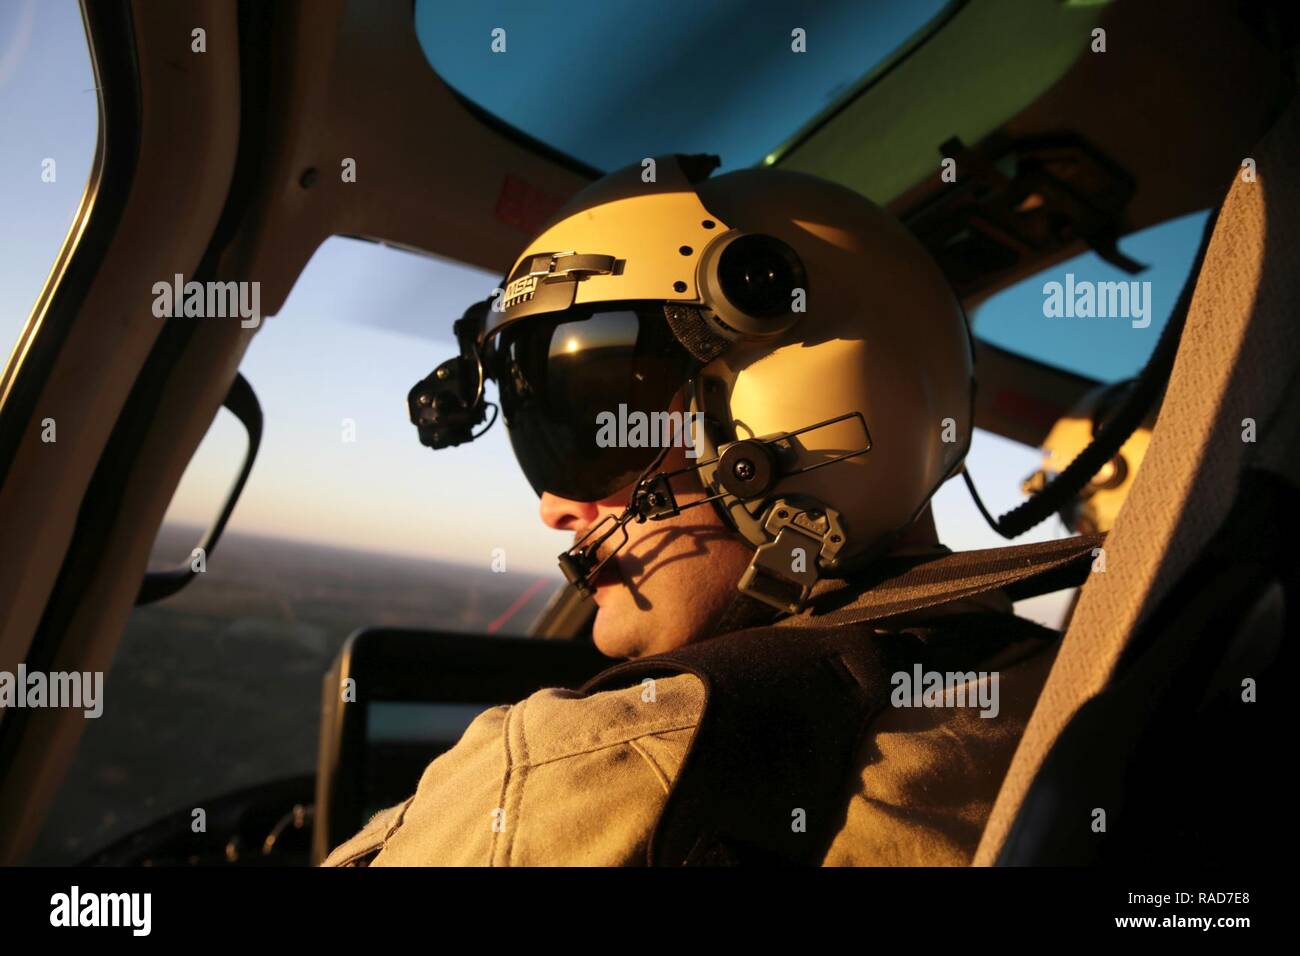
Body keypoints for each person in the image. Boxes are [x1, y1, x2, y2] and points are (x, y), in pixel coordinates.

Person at [322, 155, 1065, 867]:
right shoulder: (1065, 678)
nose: (554, 508)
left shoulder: (586, 770)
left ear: (795, 419)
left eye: (594, 427)